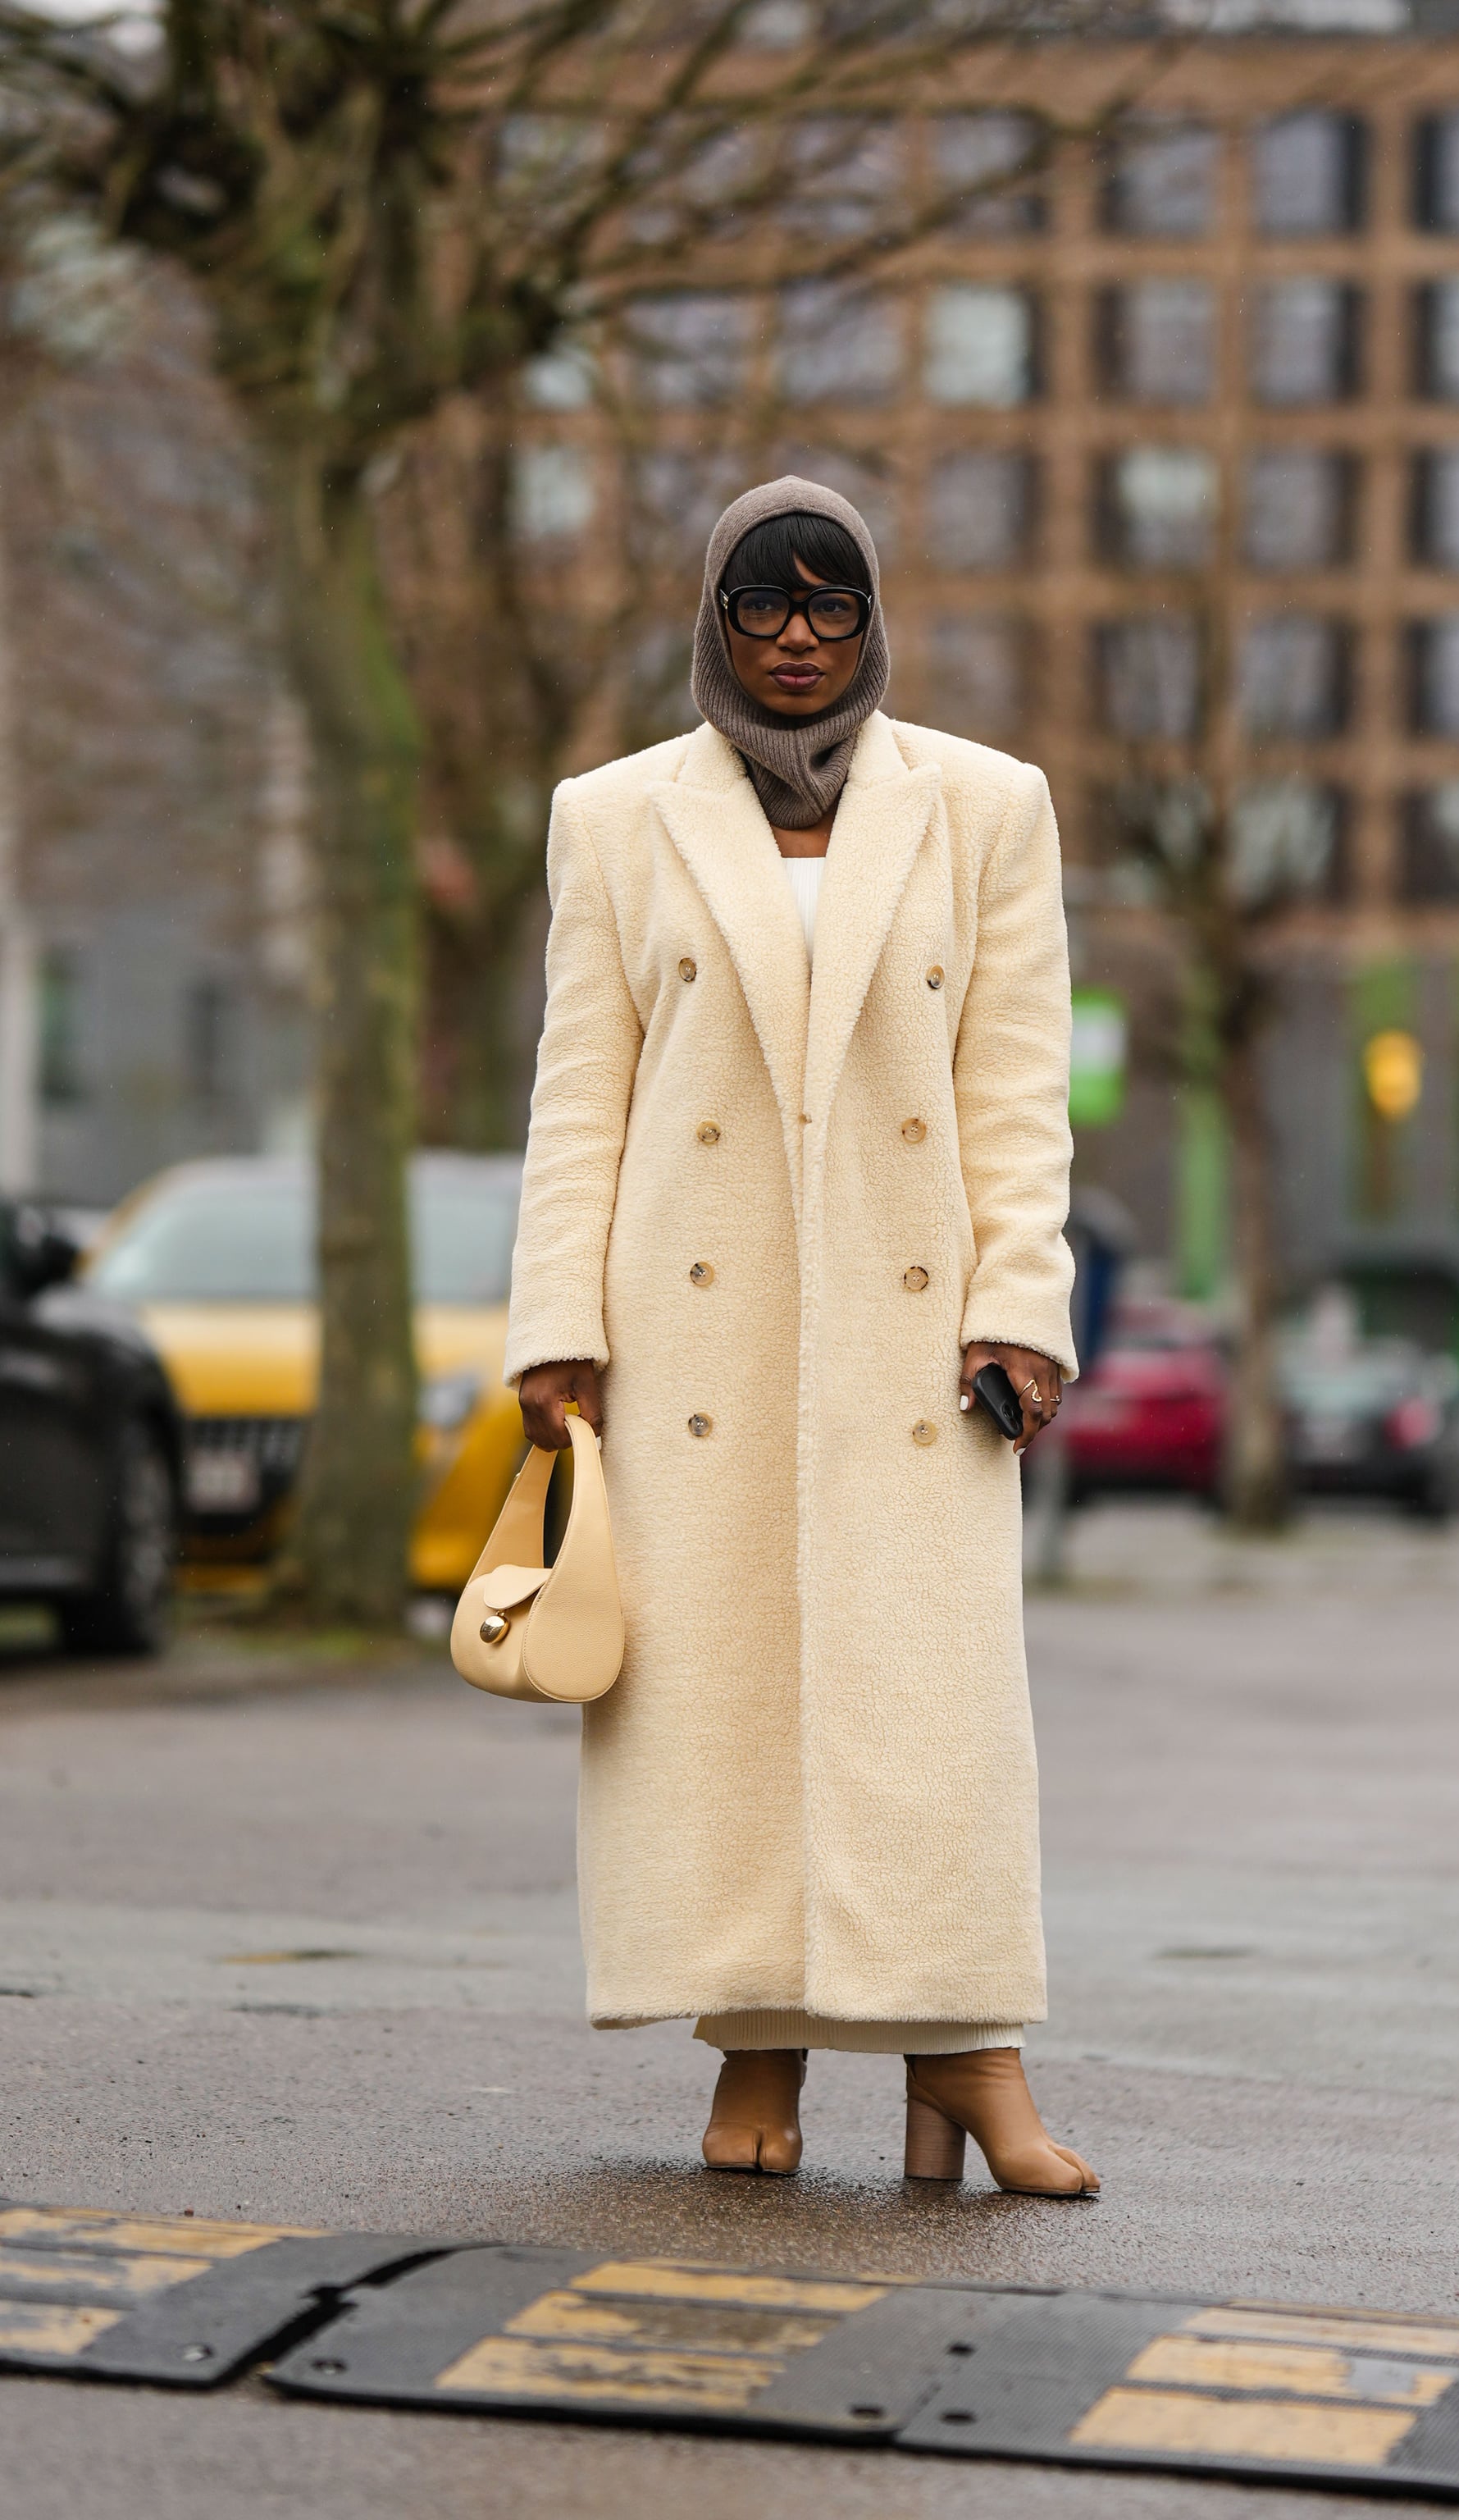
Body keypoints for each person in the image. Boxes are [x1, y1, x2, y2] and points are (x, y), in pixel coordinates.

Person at [507, 477, 1097, 2196]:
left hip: (916, 1345)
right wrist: (557, 1323)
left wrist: (1020, 1304)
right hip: (692, 1343)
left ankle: (967, 2055)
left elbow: (1015, 1088)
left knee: (934, 1707)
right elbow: (582, 1092)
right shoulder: (613, 818)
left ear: (872, 620)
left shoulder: (986, 806)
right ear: (713, 618)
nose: (794, 640)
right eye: (760, 606)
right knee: (719, 1702)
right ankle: (752, 2036)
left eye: (830, 607)